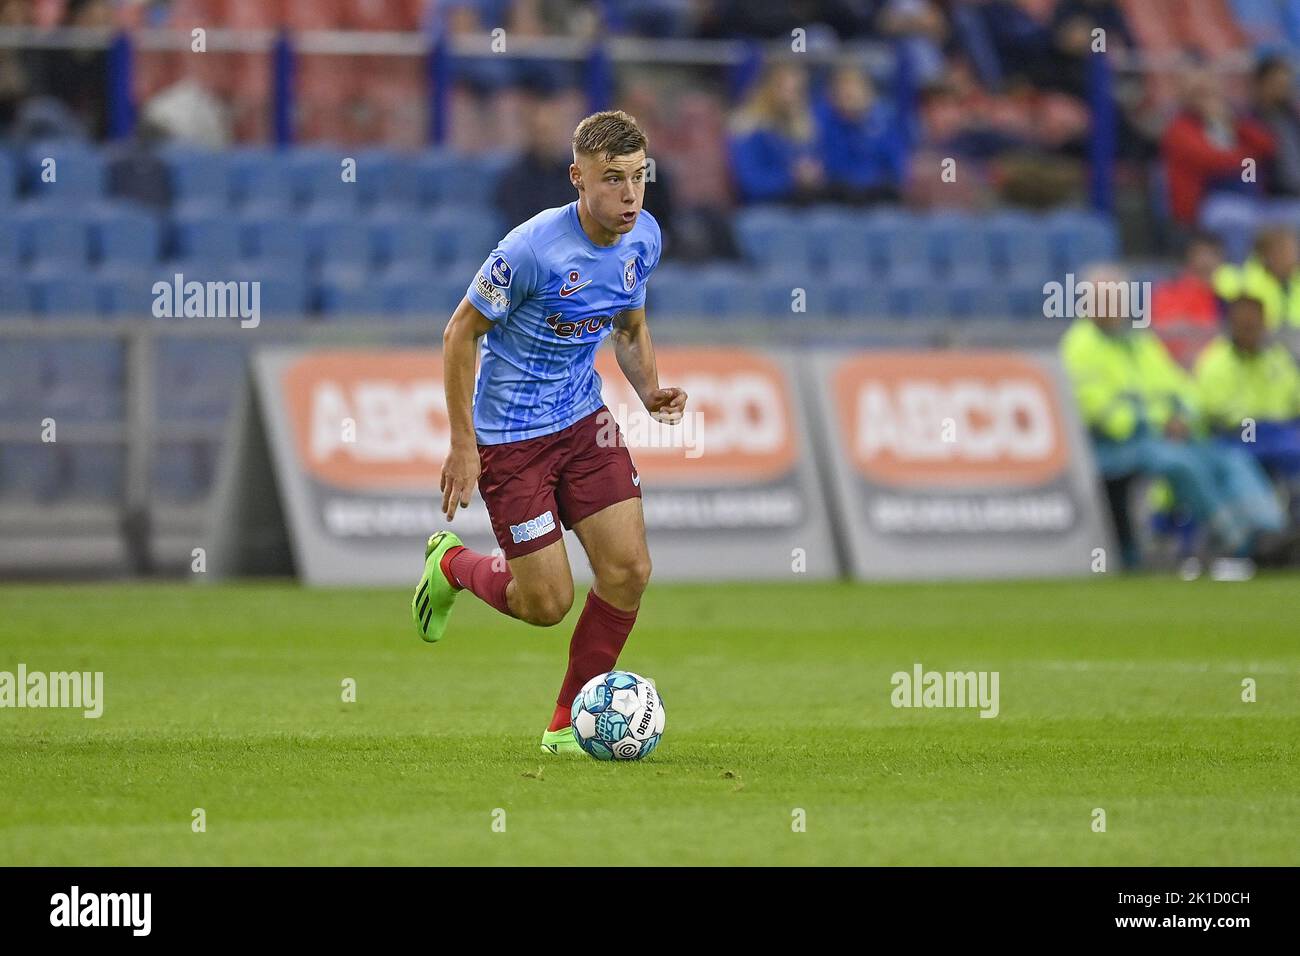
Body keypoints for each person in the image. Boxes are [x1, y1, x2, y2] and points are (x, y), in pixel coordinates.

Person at [411, 110, 688, 756]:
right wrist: (461, 445)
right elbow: (459, 334)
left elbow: (628, 326)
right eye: (612, 179)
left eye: (638, 178)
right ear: (577, 179)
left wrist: (649, 390)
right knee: (546, 602)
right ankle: (451, 564)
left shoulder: (643, 237)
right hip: (511, 438)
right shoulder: (530, 250)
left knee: (628, 570)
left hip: (583, 424)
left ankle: (566, 724)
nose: (629, 194)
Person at [1060, 266, 1285, 565]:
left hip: (1170, 436)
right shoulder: (1079, 346)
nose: (1114, 307)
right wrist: (1159, 422)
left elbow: (1182, 387)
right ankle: (1238, 540)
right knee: (1181, 463)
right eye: (1105, 299)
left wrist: (1183, 416)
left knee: (1231, 457)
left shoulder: (1138, 342)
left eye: (1118, 299)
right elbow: (1098, 410)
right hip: (1117, 446)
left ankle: (1272, 530)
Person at [1195, 295, 1300, 479]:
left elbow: (1294, 397)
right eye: (1245, 327)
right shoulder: (1215, 362)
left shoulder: (1276, 357)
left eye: (1256, 326)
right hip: (1240, 432)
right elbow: (1215, 411)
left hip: (1278, 429)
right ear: (1232, 326)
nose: (1251, 333)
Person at [1160, 68, 1274, 229]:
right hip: (1205, 204)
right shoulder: (1179, 129)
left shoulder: (1232, 122)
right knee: (1238, 219)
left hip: (1249, 198)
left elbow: (1267, 146)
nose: (1207, 100)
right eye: (1199, 94)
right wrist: (1248, 158)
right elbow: (1211, 160)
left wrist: (1233, 122)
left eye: (1210, 93)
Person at [727, 62, 824, 204]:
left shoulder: (806, 127)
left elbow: (819, 168)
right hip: (760, 206)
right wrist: (792, 178)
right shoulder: (746, 127)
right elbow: (750, 184)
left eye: (797, 91)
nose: (789, 97)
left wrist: (814, 176)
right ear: (766, 89)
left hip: (801, 204)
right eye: (783, 88)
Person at [815, 65, 907, 204]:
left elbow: (897, 167)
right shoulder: (820, 125)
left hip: (879, 198)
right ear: (832, 96)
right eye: (843, 89)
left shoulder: (885, 124)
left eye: (854, 87)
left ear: (868, 92)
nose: (849, 94)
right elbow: (824, 166)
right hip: (834, 197)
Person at [1150, 230, 1224, 364]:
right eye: (1202, 254)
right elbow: (1160, 334)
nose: (1207, 261)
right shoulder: (1169, 291)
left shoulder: (1225, 298)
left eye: (1213, 254)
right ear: (1189, 256)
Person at [1212, 226, 1300, 331]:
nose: (1292, 256)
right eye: (1284, 250)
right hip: (1260, 342)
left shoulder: (1295, 279)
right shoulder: (1243, 281)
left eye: (1293, 250)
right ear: (1265, 255)